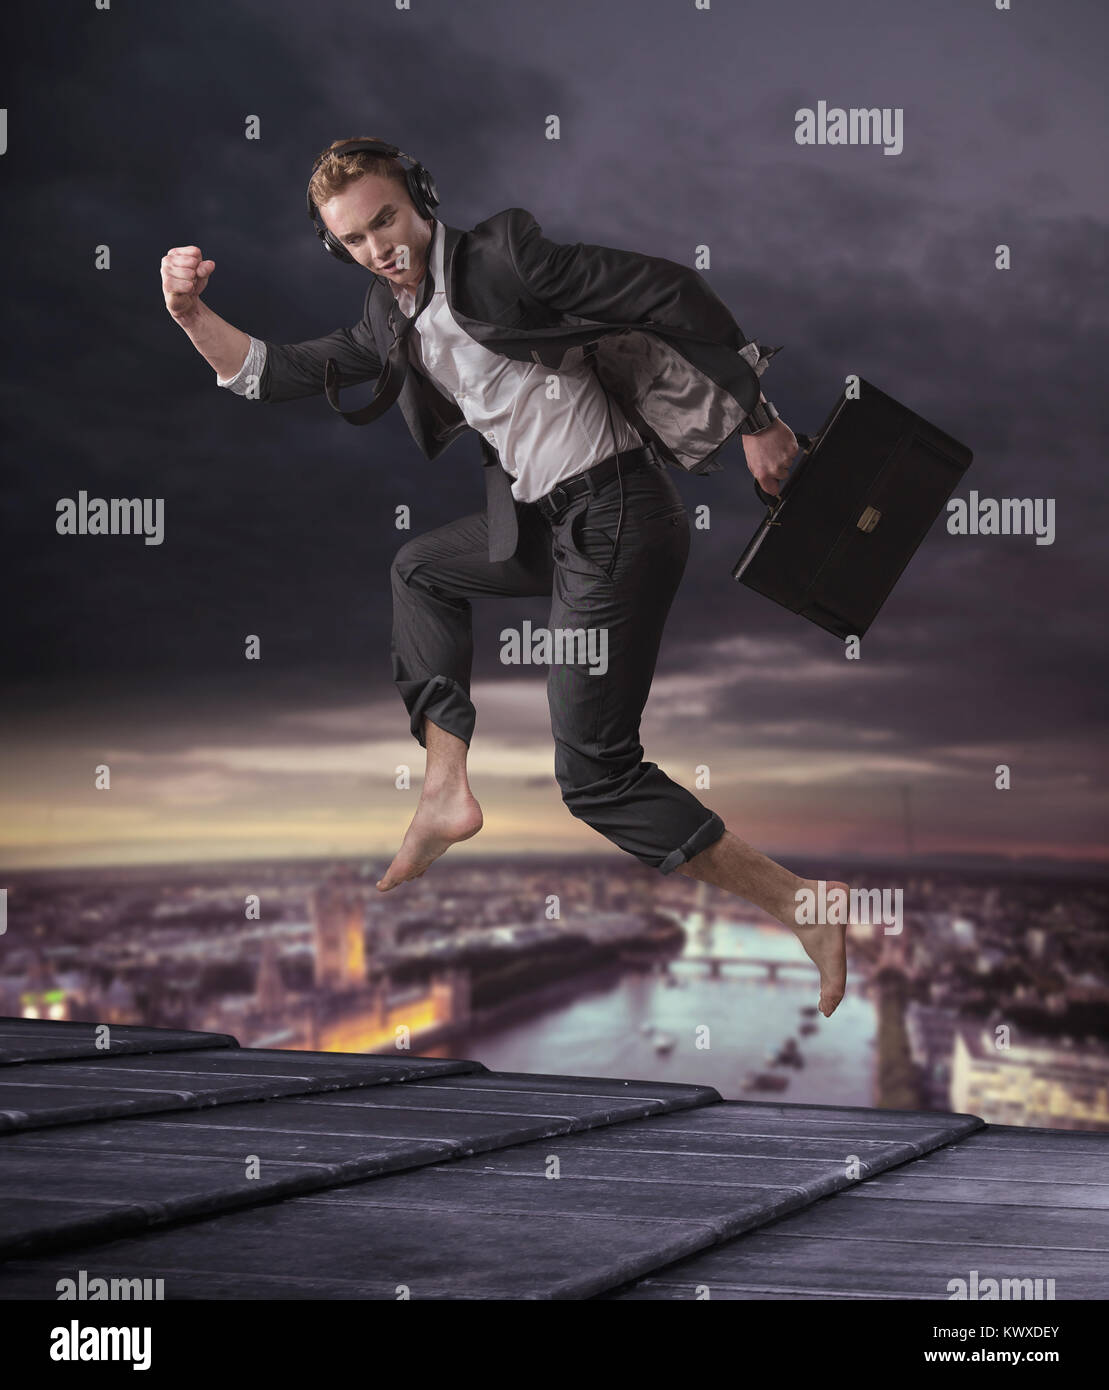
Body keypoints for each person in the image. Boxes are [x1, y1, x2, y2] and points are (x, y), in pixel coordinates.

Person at [159, 138, 848, 1016]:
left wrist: (755, 416)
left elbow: (672, 290)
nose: (380, 248)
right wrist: (188, 314)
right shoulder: (386, 317)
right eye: (356, 240)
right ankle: (445, 791)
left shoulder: (501, 256)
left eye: (388, 221)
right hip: (553, 525)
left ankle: (803, 905)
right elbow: (270, 372)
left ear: (421, 202)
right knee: (421, 570)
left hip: (618, 512)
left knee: (595, 776)